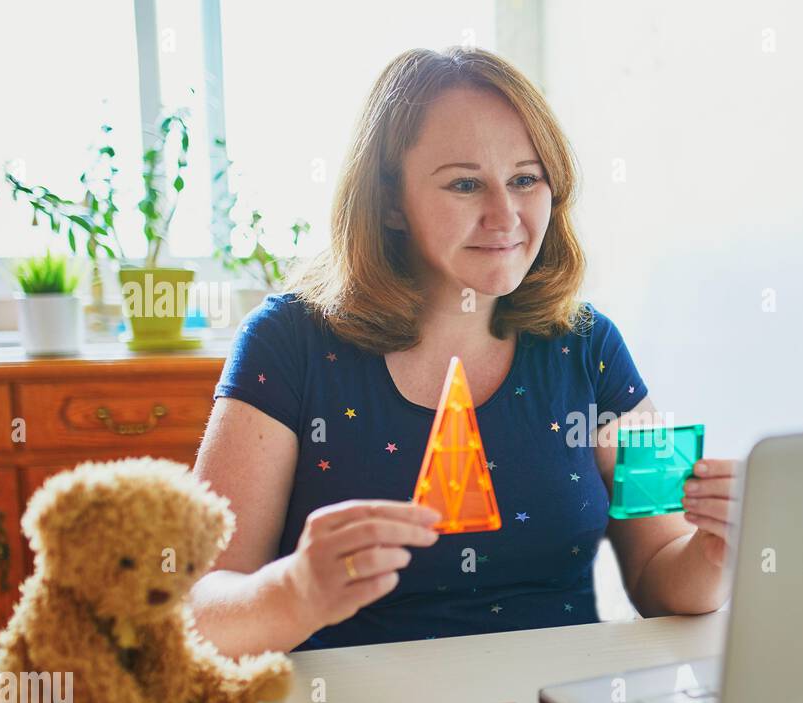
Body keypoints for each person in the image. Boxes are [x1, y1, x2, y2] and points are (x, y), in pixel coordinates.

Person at [189, 46, 738, 656]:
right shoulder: (287, 342)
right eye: (465, 184)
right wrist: (292, 592)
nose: (506, 216)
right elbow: (200, 607)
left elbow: (663, 574)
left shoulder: (592, 344)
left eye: (525, 180)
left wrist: (714, 548)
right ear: (391, 203)